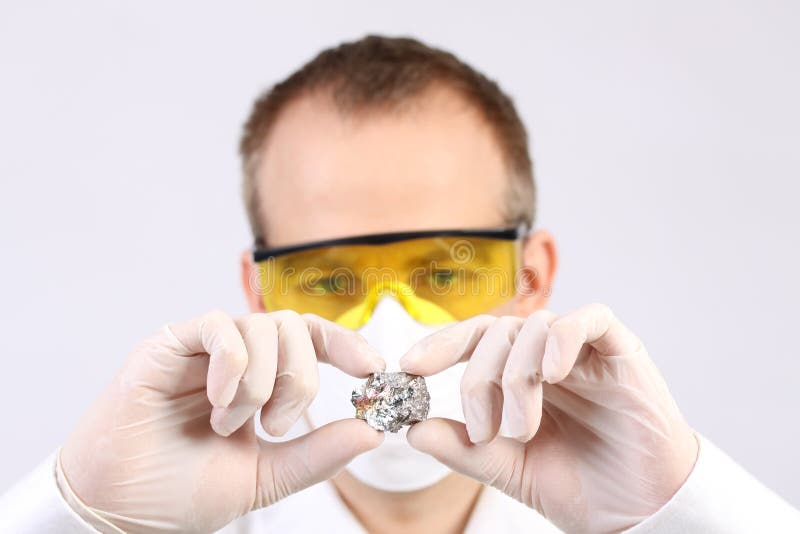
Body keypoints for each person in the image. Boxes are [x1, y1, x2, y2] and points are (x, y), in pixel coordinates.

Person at [1, 35, 798, 534]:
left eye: (445, 271)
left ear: (531, 277)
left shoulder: (642, 519)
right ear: (258, 292)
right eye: (330, 277)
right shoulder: (163, 523)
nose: (388, 325)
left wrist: (683, 514)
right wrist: (85, 519)